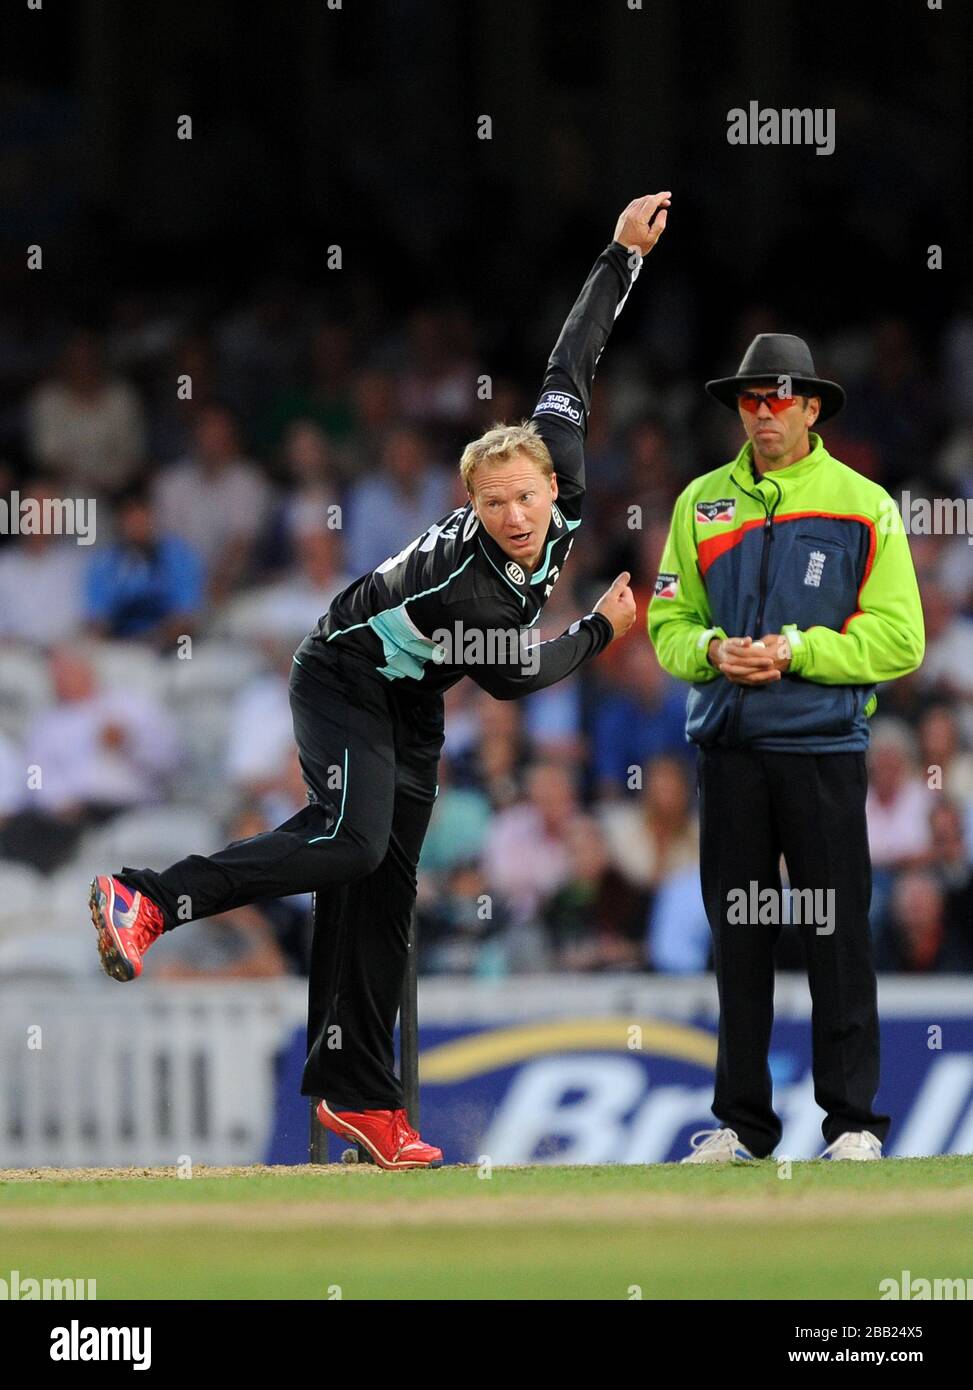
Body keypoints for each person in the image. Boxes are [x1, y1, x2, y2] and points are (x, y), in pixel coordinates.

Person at [89, 191, 671, 1170]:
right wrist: (601, 628)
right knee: (351, 842)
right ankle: (148, 896)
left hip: (408, 695)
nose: (518, 516)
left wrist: (619, 254)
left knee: (383, 895)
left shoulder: (556, 460)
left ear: (550, 480)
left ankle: (363, 1102)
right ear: (472, 505)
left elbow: (572, 359)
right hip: (345, 675)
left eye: (526, 497)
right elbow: (516, 683)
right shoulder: (470, 586)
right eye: (495, 505)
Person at [648, 331, 924, 1164]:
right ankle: (740, 1125)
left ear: (810, 408)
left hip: (820, 750)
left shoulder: (862, 501)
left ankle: (850, 1126)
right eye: (749, 399)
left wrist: (798, 649)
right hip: (729, 750)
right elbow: (667, 623)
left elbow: (900, 638)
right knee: (736, 939)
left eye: (777, 399)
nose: (761, 413)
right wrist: (710, 654)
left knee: (835, 937)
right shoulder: (699, 502)